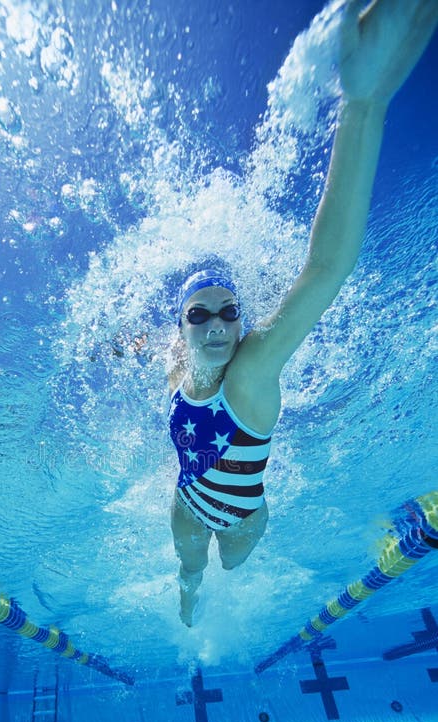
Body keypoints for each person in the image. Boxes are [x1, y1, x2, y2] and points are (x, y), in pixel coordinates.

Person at [168, 0, 438, 626]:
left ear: (241, 322)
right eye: (199, 314)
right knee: (189, 574)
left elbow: (326, 268)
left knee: (231, 565)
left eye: (228, 312)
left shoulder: (250, 372)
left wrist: (362, 106)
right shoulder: (179, 361)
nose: (214, 323)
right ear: (182, 328)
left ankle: (221, 595)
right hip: (186, 507)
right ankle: (190, 607)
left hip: (240, 518)